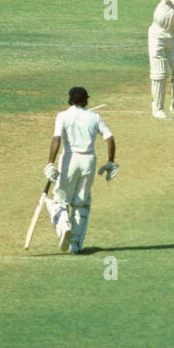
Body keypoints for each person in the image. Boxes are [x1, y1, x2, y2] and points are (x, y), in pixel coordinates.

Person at [43, 87, 116, 254]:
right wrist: (111, 162)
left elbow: (56, 138)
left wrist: (50, 163)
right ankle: (75, 243)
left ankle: (64, 225)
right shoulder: (94, 117)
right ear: (86, 100)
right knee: (81, 202)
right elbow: (110, 138)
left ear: (70, 100)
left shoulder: (63, 116)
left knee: (60, 200)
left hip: (69, 159)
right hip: (88, 161)